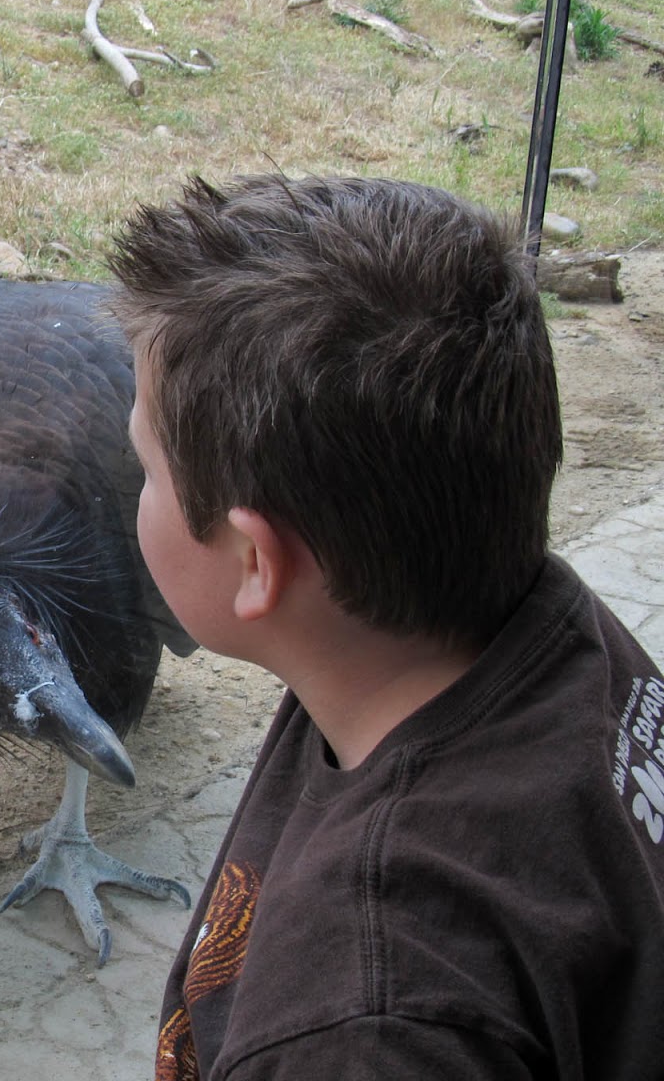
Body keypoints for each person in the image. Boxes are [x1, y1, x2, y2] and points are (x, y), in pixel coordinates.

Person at [110, 173, 664, 1080]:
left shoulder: (366, 1024)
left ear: (257, 564)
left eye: (144, 468)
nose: (138, 494)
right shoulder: (527, 630)